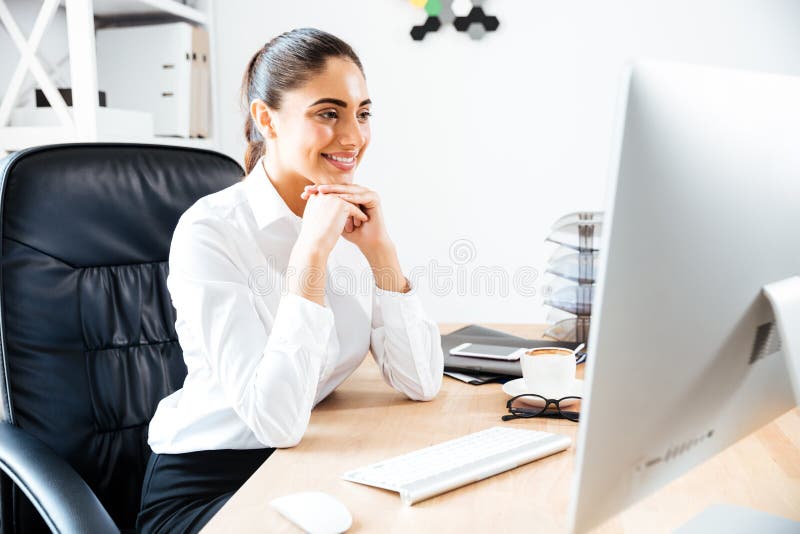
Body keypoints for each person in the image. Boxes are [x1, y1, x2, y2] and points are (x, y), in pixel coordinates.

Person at [136, 28, 444, 533]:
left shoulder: (344, 214)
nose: (353, 137)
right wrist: (311, 255)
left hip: (306, 464)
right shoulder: (210, 231)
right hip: (211, 485)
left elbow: (420, 381)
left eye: (362, 113)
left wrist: (381, 253)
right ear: (266, 119)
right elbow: (273, 421)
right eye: (328, 113)